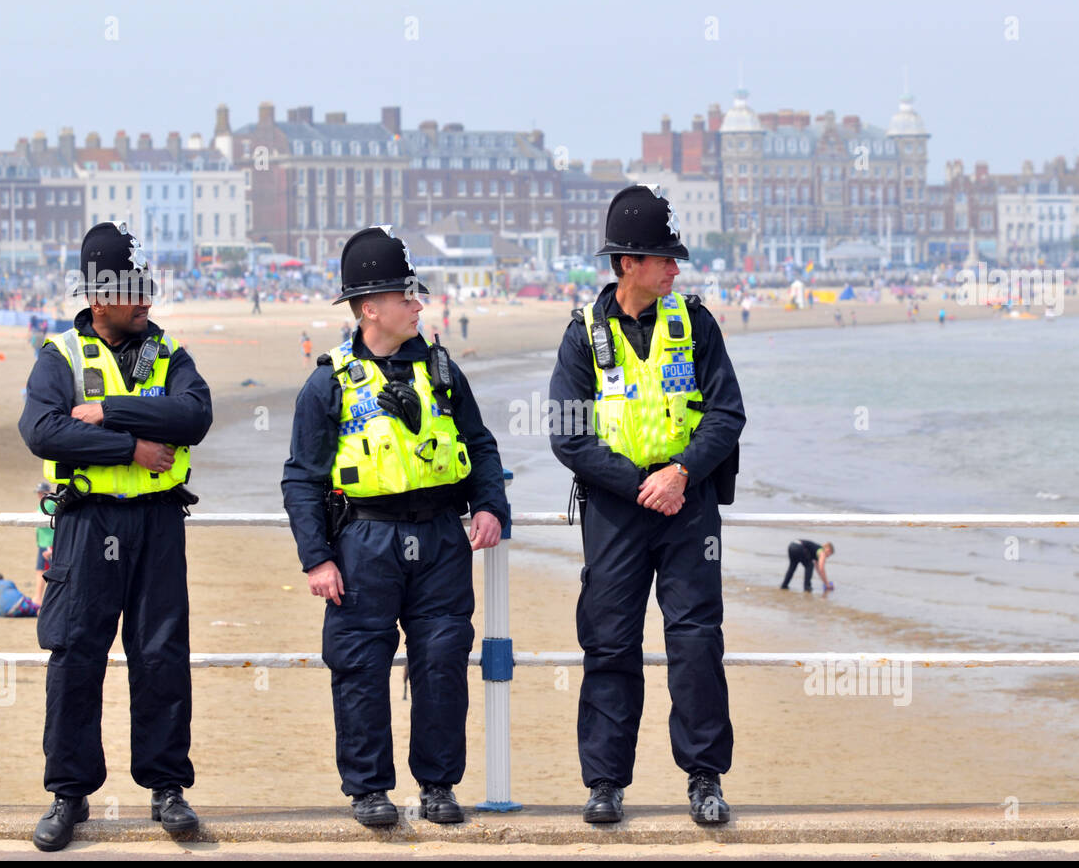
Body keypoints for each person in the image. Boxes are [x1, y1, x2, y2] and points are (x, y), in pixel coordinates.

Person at [282, 226, 509, 829]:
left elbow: (481, 447)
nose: (418, 305)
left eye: (416, 295)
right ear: (369, 308)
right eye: (407, 296)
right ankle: (369, 792)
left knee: (441, 661)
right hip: (363, 542)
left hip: (440, 539)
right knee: (359, 664)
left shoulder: (443, 372)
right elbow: (301, 478)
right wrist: (316, 558)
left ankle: (438, 787)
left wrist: (490, 506)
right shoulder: (327, 381)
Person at [549, 184, 745, 826]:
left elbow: (727, 412)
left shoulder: (697, 323)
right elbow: (569, 435)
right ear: (628, 262)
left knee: (695, 643)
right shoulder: (582, 336)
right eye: (664, 257)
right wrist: (642, 483)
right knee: (609, 645)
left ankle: (705, 777)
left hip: (688, 507)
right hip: (616, 512)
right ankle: (605, 783)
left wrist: (682, 472)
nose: (675, 268)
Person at [18, 221, 213, 852]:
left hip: (157, 525)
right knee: (75, 656)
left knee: (161, 656)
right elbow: (44, 432)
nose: (148, 301)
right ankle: (68, 796)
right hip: (86, 522)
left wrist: (109, 413)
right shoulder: (59, 356)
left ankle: (166, 790)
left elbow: (195, 416)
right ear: (102, 297)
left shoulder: (169, 352)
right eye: (136, 291)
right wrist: (132, 446)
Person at [34, 481, 54, 603]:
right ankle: (38, 596)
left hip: (48, 543)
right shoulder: (44, 503)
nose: (39, 495)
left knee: (47, 571)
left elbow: (40, 516)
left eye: (41, 493)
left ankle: (40, 598)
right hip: (43, 542)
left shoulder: (50, 503)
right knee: (40, 570)